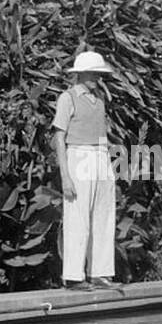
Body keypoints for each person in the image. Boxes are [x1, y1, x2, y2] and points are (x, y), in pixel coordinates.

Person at [51, 51, 118, 290]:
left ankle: (99, 272)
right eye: (90, 73)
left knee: (103, 215)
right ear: (79, 74)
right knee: (77, 217)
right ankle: (73, 276)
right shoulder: (67, 98)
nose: (95, 77)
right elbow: (59, 138)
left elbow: (100, 134)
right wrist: (65, 176)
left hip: (100, 157)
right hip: (78, 156)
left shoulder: (99, 99)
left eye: (98, 73)